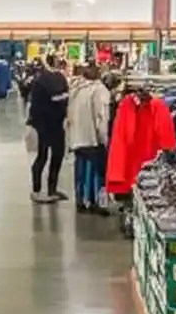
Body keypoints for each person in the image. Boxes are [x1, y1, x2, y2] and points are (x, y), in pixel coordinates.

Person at [67, 65, 112, 214]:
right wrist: (104, 139)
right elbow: (102, 117)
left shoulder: (75, 89)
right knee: (98, 171)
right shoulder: (100, 91)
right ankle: (97, 202)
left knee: (80, 169)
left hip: (77, 137)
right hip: (92, 138)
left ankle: (80, 199)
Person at [27, 55, 70, 203]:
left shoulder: (45, 79)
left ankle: (48, 190)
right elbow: (62, 98)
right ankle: (39, 190)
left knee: (51, 156)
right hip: (46, 124)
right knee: (45, 156)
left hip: (50, 124)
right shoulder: (46, 80)